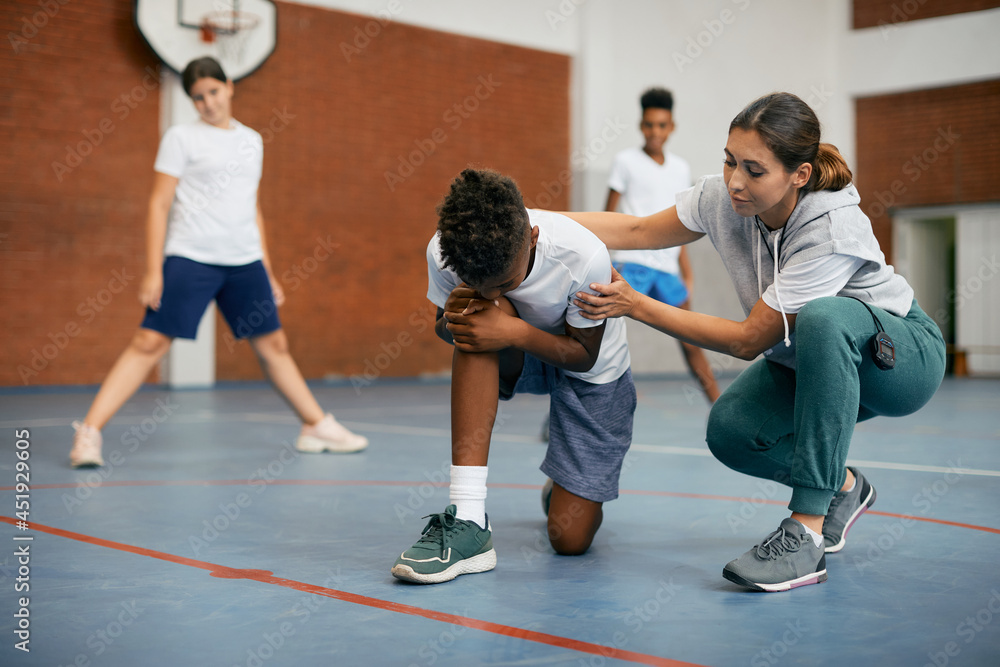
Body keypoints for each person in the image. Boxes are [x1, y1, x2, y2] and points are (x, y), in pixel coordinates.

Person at [564, 92, 945, 592]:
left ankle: (807, 533)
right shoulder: (722, 199)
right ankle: (845, 488)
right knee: (732, 429)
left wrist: (635, 304)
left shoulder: (829, 226)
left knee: (824, 317)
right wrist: (534, 219)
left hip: (900, 358)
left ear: (799, 175)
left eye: (753, 170)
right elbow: (635, 228)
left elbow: (747, 342)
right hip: (808, 359)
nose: (735, 181)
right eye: (728, 161)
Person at [69, 57, 367, 468]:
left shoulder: (253, 141)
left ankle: (315, 425)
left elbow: (253, 207)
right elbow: (158, 204)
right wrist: (154, 269)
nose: (207, 103)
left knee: (274, 345)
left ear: (229, 86)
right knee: (149, 342)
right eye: (197, 97)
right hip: (190, 257)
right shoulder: (180, 138)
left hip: (244, 261)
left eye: (212, 92)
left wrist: (267, 267)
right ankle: (89, 434)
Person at [391, 169, 635, 584]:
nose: (490, 294)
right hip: (515, 352)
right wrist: (459, 321)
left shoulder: (583, 255)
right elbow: (440, 324)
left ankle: (560, 488)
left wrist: (512, 331)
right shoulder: (448, 249)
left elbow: (583, 356)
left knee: (569, 540)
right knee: (473, 319)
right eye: (477, 284)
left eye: (503, 283)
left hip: (591, 368)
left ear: (533, 238)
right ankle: (468, 516)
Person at [606, 87, 719, 403]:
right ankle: (562, 415)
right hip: (630, 264)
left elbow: (679, 226)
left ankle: (720, 407)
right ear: (641, 125)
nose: (655, 131)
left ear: (672, 127)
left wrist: (686, 272)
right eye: (648, 125)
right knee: (596, 336)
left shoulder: (681, 169)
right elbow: (607, 215)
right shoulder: (624, 161)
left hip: (666, 270)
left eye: (661, 125)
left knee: (690, 339)